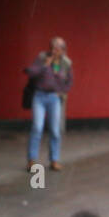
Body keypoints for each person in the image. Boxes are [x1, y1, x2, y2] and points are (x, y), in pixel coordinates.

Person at [24, 36, 73, 172]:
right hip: (39, 96)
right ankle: (32, 160)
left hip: (54, 98)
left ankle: (54, 160)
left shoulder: (66, 63)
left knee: (55, 130)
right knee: (37, 127)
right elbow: (32, 73)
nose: (54, 51)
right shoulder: (42, 58)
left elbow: (69, 81)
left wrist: (62, 91)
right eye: (52, 47)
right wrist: (46, 64)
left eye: (58, 48)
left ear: (63, 50)